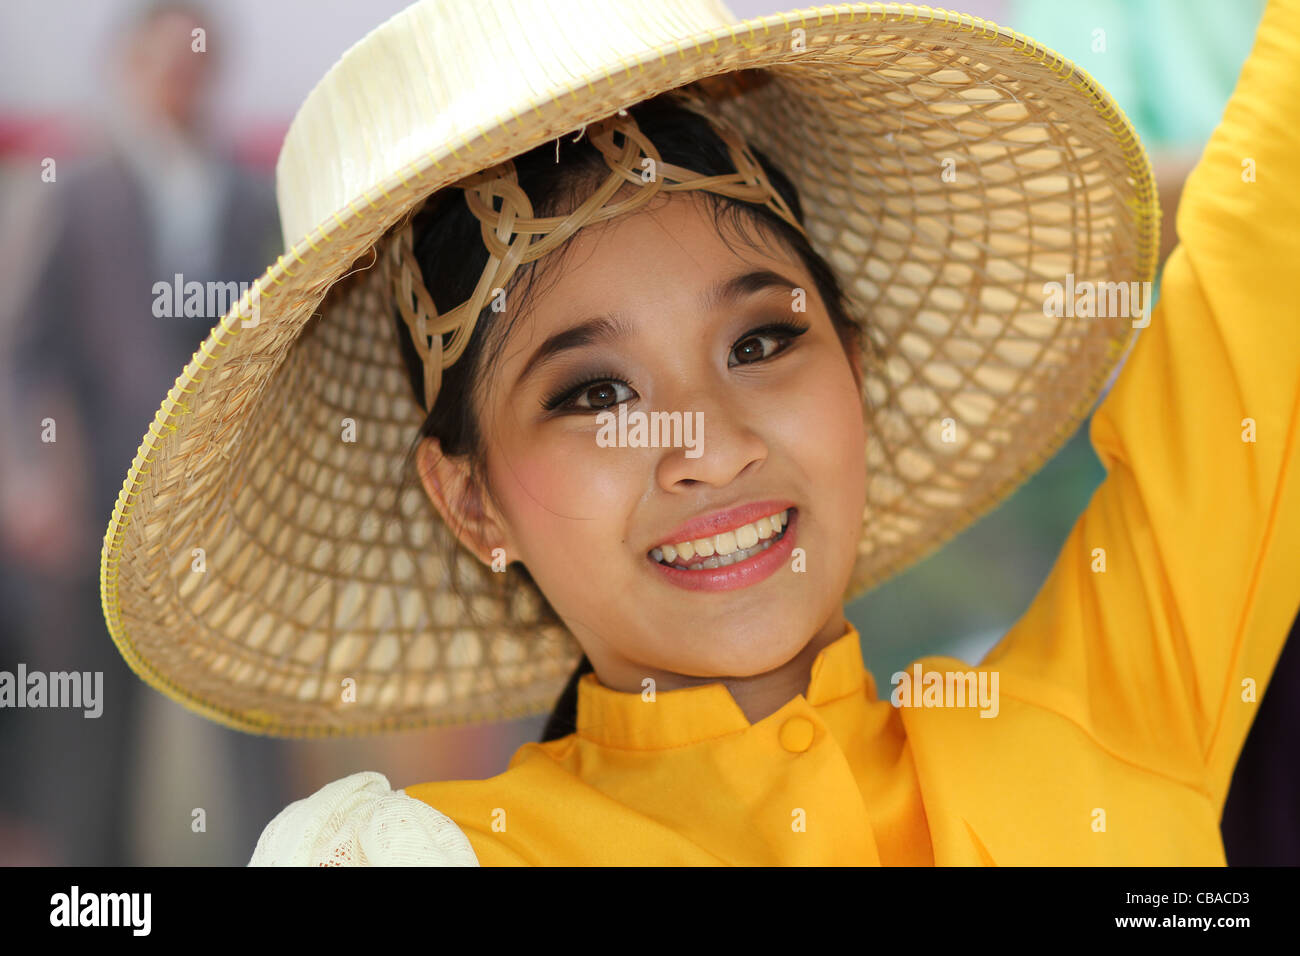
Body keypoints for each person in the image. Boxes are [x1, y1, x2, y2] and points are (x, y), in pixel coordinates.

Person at [99, 0, 1298, 865]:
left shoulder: (1112, 710)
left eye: (762, 341)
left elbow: (1267, 244)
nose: (710, 447)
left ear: (855, 366)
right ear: (471, 500)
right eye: (592, 394)